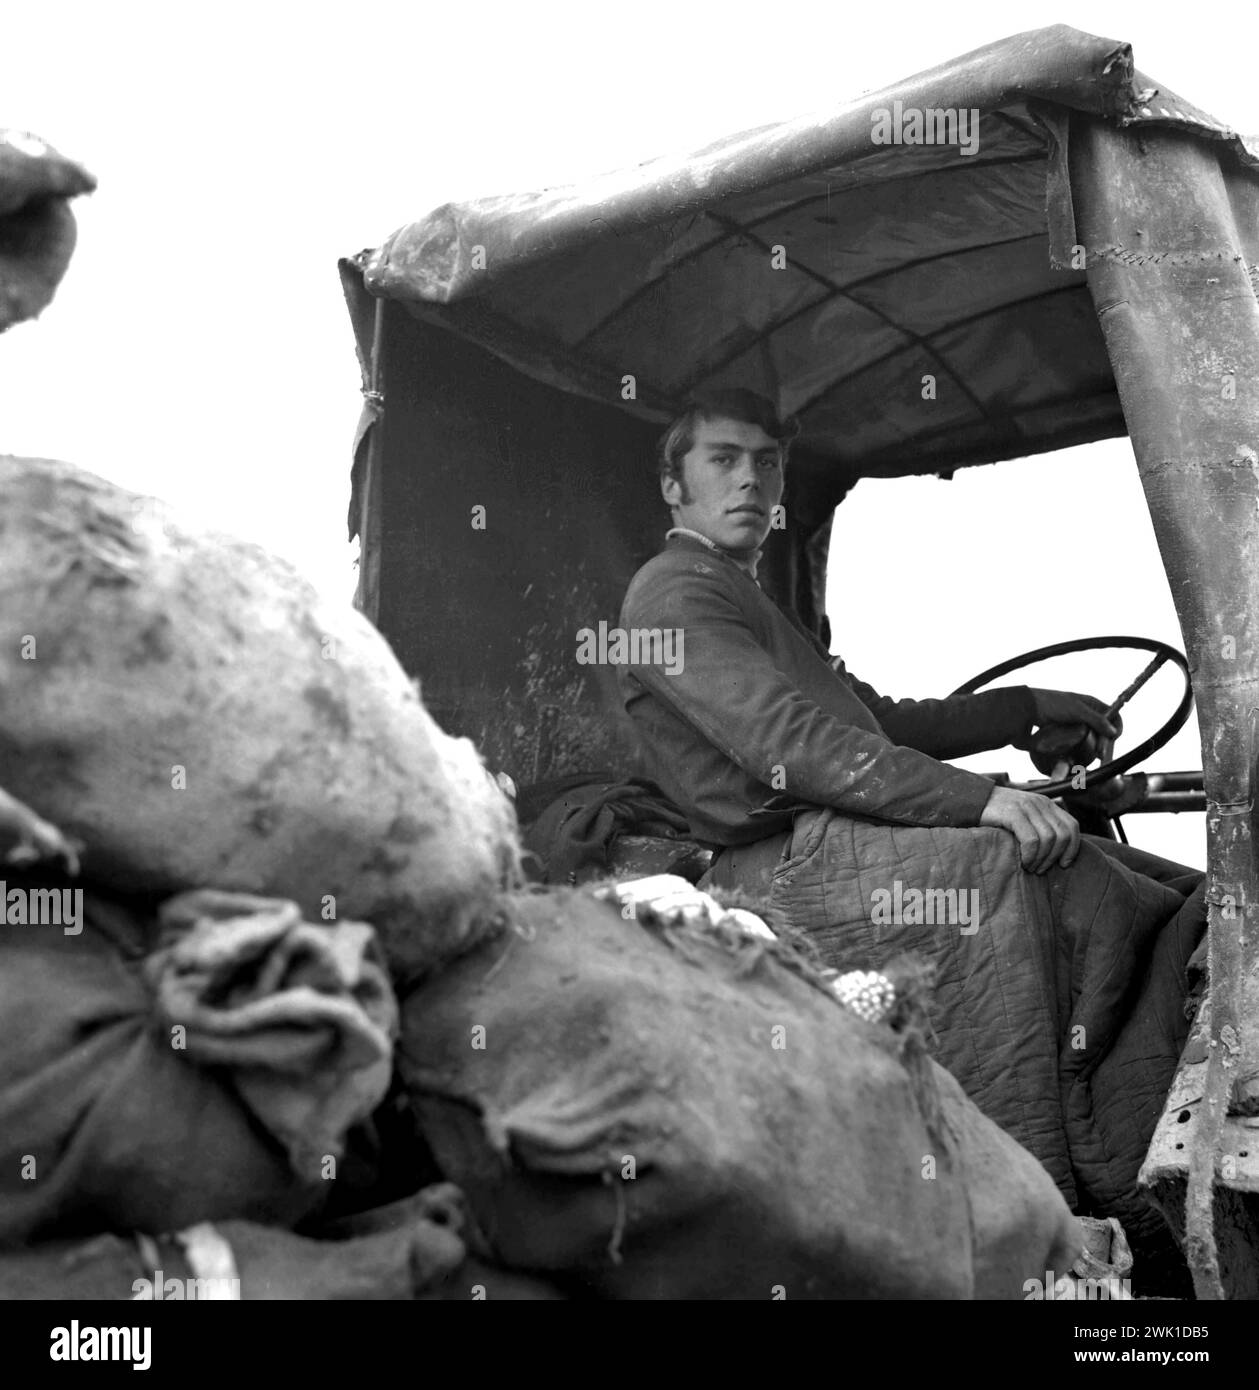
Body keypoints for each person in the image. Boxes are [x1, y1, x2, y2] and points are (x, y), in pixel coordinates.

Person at [617, 387, 1206, 1290]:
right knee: (1020, 864)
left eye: (765, 464)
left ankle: (1159, 1128)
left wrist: (1024, 711)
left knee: (1143, 878)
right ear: (673, 484)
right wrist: (980, 803)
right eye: (722, 460)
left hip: (832, 835)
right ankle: (1040, 1208)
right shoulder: (673, 593)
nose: (749, 481)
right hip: (784, 865)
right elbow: (790, 747)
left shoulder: (748, 597)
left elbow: (874, 722)